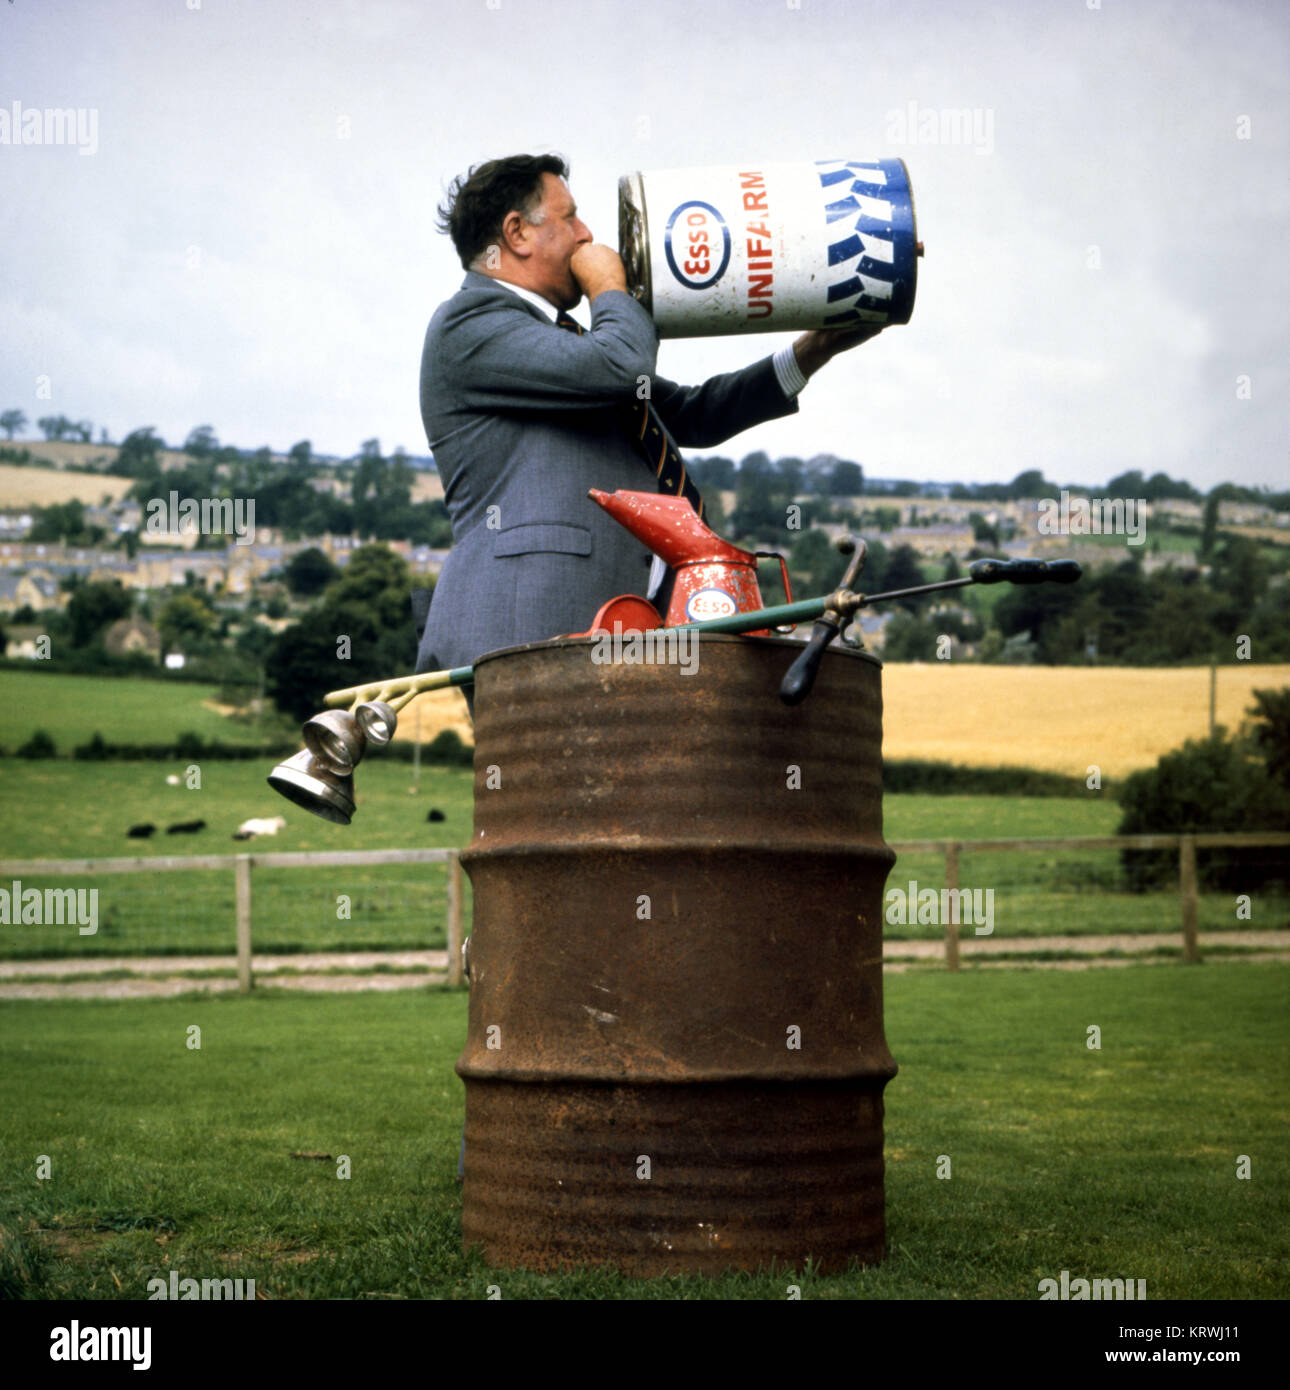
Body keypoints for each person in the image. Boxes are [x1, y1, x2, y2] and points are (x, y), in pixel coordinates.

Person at [413, 153, 882, 701]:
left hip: (621, 623)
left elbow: (692, 413)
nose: (587, 234)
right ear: (517, 233)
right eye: (570, 218)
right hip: (532, 621)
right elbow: (623, 366)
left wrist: (815, 348)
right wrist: (610, 288)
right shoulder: (470, 324)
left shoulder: (559, 342)